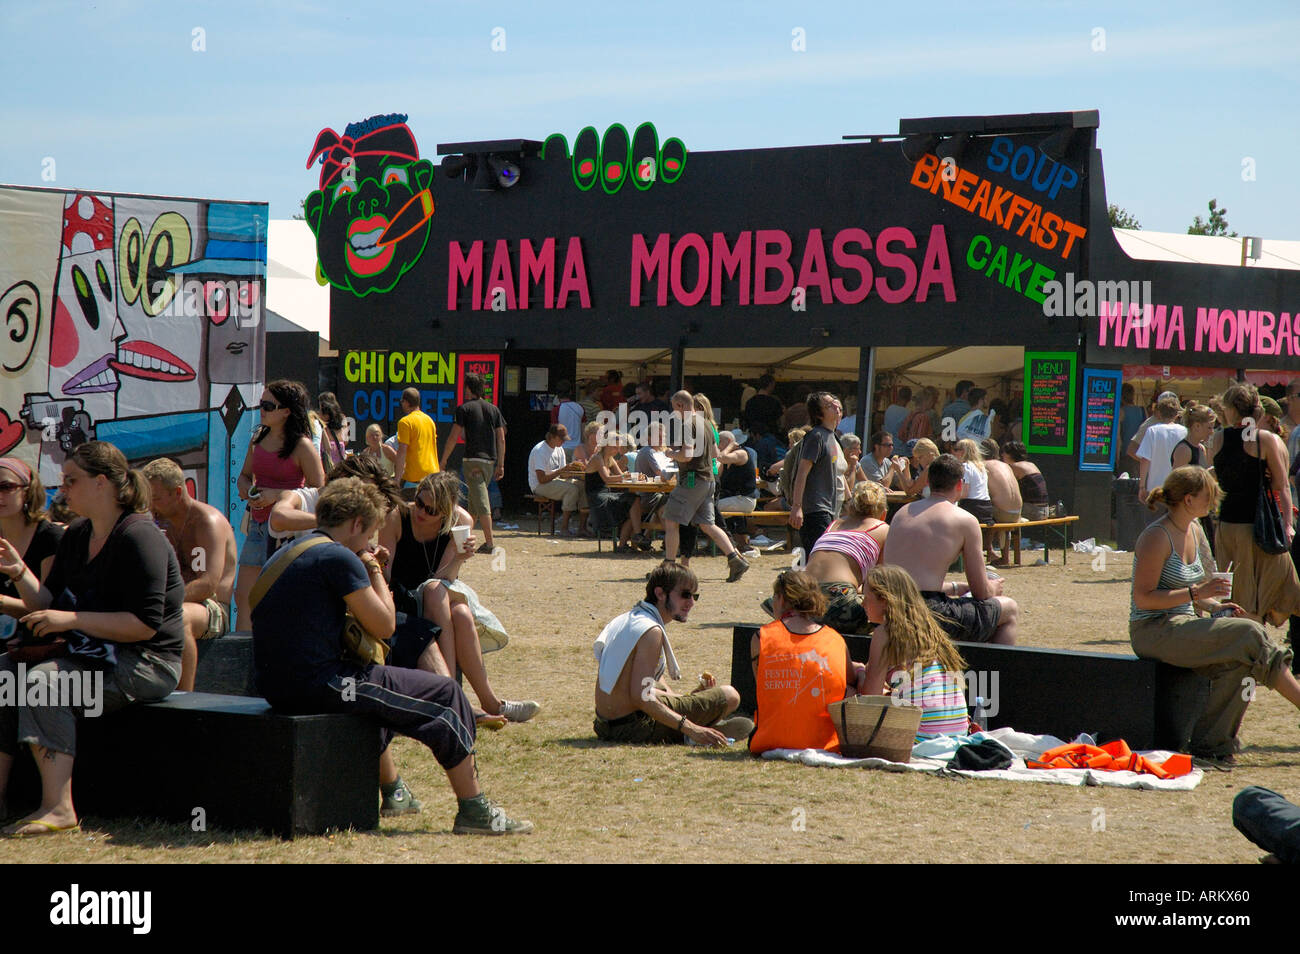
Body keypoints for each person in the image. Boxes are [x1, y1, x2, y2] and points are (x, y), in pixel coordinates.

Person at [250, 477, 532, 834]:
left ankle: (395, 791)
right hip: (322, 684)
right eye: (369, 534)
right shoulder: (340, 557)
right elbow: (385, 625)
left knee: (376, 697)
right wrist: (371, 567)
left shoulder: (291, 551)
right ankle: (474, 811)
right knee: (447, 695)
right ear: (356, 524)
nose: (370, 543)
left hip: (276, 687)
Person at [0, 441, 185, 836]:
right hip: (94, 654)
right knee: (4, 672)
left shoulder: (140, 536)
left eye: (71, 480)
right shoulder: (79, 534)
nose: (62, 489)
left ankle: (59, 807)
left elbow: (144, 626)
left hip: (148, 663)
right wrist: (18, 572)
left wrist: (71, 619)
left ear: (102, 482)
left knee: (44, 682)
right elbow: (47, 602)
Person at [1130, 466, 1300, 765]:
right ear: (1188, 499)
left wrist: (1215, 605)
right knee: (1250, 633)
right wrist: (1197, 594)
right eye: (1208, 497)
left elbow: (1201, 592)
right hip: (1153, 630)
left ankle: (1212, 745)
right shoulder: (1156, 536)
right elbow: (1143, 598)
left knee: (1242, 658)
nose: (1214, 503)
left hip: (1184, 624)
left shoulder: (1195, 530)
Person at [378, 471, 539, 724]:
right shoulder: (398, 517)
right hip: (402, 598)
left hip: (438, 595)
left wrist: (460, 559)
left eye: (431, 510)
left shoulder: (460, 521)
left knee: (460, 611)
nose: (421, 512)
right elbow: (385, 576)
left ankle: (490, 702)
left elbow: (444, 577)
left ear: (446, 511)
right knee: (437, 594)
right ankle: (453, 695)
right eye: (419, 502)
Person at [593, 562, 751, 745]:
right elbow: (641, 696)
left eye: (694, 596)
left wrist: (690, 698)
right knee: (730, 696)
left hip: (604, 725)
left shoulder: (629, 619)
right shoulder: (651, 631)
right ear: (660, 593)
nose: (691, 602)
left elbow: (643, 686)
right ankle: (694, 734)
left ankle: (699, 729)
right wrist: (691, 728)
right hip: (634, 727)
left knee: (666, 690)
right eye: (685, 595)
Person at [882, 454, 1019, 644]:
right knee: (1009, 608)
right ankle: (988, 665)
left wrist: (955, 587)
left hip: (891, 606)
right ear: (960, 484)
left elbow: (913, 580)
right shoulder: (965, 520)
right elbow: (981, 592)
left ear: (928, 482)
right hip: (928, 611)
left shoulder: (901, 513)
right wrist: (993, 587)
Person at [234, 380, 326, 625]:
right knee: (243, 595)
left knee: (280, 596)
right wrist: (247, 490)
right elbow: (244, 476)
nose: (262, 410)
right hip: (257, 525)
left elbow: (319, 490)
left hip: (287, 531)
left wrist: (276, 495)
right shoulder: (258, 438)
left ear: (286, 411)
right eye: (261, 404)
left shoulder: (302, 446)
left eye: (268, 405)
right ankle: (242, 645)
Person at [1207, 383, 1300, 626]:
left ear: (1229, 409)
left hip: (1226, 526)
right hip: (1258, 527)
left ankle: (1243, 634)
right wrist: (1288, 524)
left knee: (1234, 595)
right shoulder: (1264, 439)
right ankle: (1254, 630)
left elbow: (1220, 476)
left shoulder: (1217, 439)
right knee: (1281, 588)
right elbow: (1281, 485)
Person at [143, 458, 237, 692]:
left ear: (177, 492)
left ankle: (184, 697)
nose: (151, 505)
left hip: (213, 607)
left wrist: (160, 601)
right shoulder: (159, 522)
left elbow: (207, 584)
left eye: (156, 498)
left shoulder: (206, 522)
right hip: (172, 601)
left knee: (180, 617)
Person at [749, 570, 865, 755]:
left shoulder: (761, 637)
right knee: (849, 688)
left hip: (769, 738)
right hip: (823, 743)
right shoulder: (834, 639)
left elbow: (761, 686)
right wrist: (860, 671)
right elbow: (848, 679)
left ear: (781, 600)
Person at [861, 565, 971, 740]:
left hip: (921, 737)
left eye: (866, 598)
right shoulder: (928, 628)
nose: (862, 604)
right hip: (957, 731)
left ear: (884, 599)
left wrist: (860, 674)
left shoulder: (885, 633)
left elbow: (870, 698)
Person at [660, 391, 750, 580]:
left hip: (692, 479)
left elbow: (687, 456)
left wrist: (671, 454)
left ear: (680, 406)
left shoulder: (687, 424)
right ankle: (735, 559)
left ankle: (669, 566)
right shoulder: (707, 424)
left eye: (674, 408)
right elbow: (715, 453)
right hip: (708, 480)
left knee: (670, 520)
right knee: (708, 525)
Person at [787, 481, 890, 635]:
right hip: (840, 600)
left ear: (851, 508)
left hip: (802, 596)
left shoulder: (835, 524)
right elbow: (878, 579)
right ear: (883, 514)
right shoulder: (882, 528)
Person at [441, 372, 506, 555]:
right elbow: (501, 439)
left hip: (473, 460)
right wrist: (500, 464)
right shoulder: (493, 409)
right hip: (489, 461)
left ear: (468, 389)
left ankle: (490, 543)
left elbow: (453, 437)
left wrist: (444, 459)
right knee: (474, 503)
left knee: (481, 501)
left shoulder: (464, 409)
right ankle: (465, 538)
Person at [0, 457, 63, 632]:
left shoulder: (50, 537)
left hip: (36, 641)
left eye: (6, 487)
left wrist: (2, 601)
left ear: (27, 492)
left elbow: (50, 608)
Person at [789, 392, 845, 554]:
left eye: (834, 402)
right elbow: (801, 473)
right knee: (818, 557)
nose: (835, 406)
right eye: (828, 405)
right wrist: (797, 507)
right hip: (815, 509)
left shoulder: (832, 436)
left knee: (824, 557)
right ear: (819, 415)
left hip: (829, 508)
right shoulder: (816, 436)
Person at [586, 432, 647, 552]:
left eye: (618, 447)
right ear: (606, 445)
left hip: (606, 494)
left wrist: (634, 477)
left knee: (634, 500)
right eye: (615, 447)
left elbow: (621, 476)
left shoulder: (610, 459)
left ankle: (633, 538)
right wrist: (626, 476)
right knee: (632, 502)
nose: (617, 450)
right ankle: (635, 537)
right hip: (597, 498)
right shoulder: (597, 458)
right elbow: (607, 479)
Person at [527, 423, 582, 535]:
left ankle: (582, 527)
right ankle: (564, 527)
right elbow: (541, 479)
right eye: (561, 439)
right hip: (539, 486)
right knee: (571, 489)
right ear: (552, 437)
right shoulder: (540, 450)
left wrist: (574, 469)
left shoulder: (559, 449)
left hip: (554, 481)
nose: (563, 442)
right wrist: (562, 470)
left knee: (581, 485)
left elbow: (562, 475)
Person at [1136, 394, 1186, 503]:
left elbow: (1145, 459)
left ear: (1159, 413)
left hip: (1155, 489)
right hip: (1178, 487)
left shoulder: (1152, 431)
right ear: (1177, 414)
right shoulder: (1185, 432)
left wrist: (1142, 486)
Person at [981, 438, 1022, 565]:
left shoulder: (983, 466)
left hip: (1002, 513)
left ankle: (989, 551)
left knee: (979, 512)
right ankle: (1002, 556)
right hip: (1017, 512)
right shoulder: (1005, 465)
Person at [393, 387, 439, 497]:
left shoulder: (405, 422)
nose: (402, 404)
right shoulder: (429, 420)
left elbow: (402, 451)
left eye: (402, 401)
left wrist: (397, 480)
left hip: (415, 479)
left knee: (409, 507)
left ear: (407, 402)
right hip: (433, 477)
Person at [1127, 389, 1179, 470]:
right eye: (1166, 409)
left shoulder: (1178, 427)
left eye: (1173, 410)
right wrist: (1153, 464)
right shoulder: (1150, 425)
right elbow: (1132, 449)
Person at [1001, 441, 1050, 521]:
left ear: (1010, 454)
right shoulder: (1031, 464)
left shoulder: (1014, 467)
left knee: (1001, 511)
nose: (1002, 455)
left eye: (1004, 452)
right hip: (1045, 510)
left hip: (1033, 511)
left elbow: (1008, 490)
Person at [953, 438, 994, 525]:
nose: (953, 452)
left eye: (956, 449)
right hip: (986, 507)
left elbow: (964, 493)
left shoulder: (965, 467)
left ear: (963, 452)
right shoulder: (981, 467)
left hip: (972, 507)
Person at [317, 391, 349, 471]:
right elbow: (345, 441)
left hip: (324, 466)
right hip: (339, 467)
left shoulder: (318, 418)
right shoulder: (342, 418)